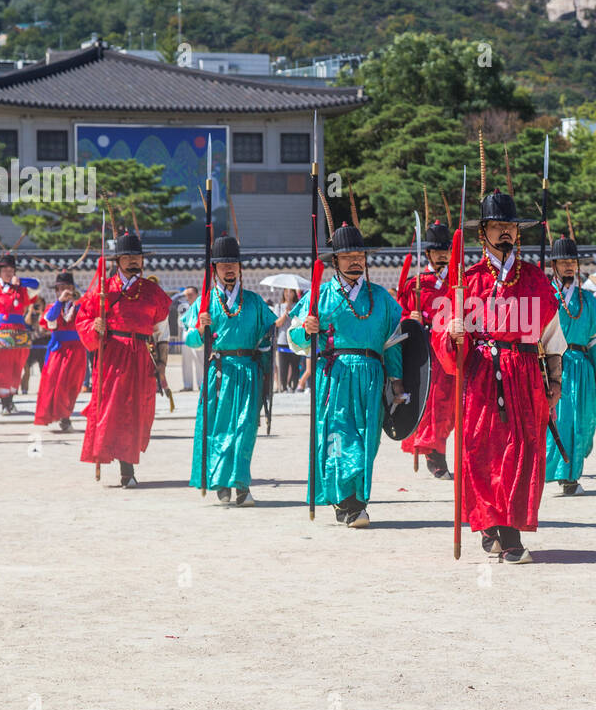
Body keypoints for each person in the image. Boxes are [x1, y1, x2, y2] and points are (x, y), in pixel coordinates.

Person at [432, 189, 563, 564]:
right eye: (497, 226)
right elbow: (444, 341)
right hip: (483, 379)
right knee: (485, 455)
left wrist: (554, 379)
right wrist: (451, 333)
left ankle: (504, 530)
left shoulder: (536, 279)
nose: (505, 232)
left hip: (525, 378)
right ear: (482, 233)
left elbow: (552, 336)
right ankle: (500, 531)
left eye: (510, 226)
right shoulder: (466, 281)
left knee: (524, 455)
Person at [289, 220, 405, 527]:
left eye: (360, 255)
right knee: (339, 438)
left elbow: (393, 343)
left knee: (368, 440)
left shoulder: (381, 297)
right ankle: (349, 503)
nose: (355, 261)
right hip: (336, 376)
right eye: (347, 256)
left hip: (372, 375)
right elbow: (295, 339)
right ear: (335, 261)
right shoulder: (320, 295)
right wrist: (306, 329)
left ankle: (352, 499)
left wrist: (397, 381)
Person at [75, 231, 173, 487]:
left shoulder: (153, 292)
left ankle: (127, 462)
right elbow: (82, 320)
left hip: (142, 356)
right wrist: (94, 326)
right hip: (112, 357)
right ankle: (125, 468)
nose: (133, 262)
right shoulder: (103, 291)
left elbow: (162, 331)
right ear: (117, 261)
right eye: (128, 257)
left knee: (138, 411)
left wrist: (161, 364)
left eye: (137, 257)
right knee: (113, 410)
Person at [190, 235, 278, 506]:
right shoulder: (204, 303)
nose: (229, 268)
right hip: (220, 372)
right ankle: (220, 481)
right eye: (223, 264)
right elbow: (191, 341)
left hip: (249, 372)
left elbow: (269, 337)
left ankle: (241, 485)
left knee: (245, 430)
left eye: (234, 264)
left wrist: (265, 369)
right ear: (214, 268)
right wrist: (200, 328)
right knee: (218, 430)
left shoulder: (253, 301)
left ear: (240, 268)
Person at [545, 232, 596, 496]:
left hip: (583, 366)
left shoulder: (588, 300)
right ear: (554, 266)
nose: (569, 265)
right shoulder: (545, 295)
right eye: (563, 262)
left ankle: (572, 471)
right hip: (555, 364)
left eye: (573, 261)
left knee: (586, 419)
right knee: (562, 419)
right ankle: (566, 476)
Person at [397, 218, 456, 479]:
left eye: (447, 250)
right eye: (437, 250)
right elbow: (401, 319)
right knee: (433, 404)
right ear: (429, 254)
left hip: (453, 352)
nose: (443, 254)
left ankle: (438, 451)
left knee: (452, 407)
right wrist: (413, 320)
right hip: (427, 353)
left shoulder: (460, 281)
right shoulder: (416, 284)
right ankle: (435, 455)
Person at [0, 253, 40, 415]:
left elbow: (37, 285)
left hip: (18, 333)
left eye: (11, 270)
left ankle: (9, 400)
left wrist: (21, 281)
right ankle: (6, 403)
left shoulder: (22, 290)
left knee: (16, 367)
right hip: (1, 333)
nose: (8, 272)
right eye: (4, 270)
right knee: (1, 367)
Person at [34, 272, 86, 432]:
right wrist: (59, 301)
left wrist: (77, 301)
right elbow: (50, 321)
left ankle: (66, 415)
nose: (63, 290)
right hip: (59, 349)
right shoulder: (52, 307)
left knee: (72, 385)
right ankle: (62, 416)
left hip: (77, 350)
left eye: (66, 287)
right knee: (56, 384)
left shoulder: (79, 306)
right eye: (60, 288)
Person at [178, 286, 202, 391]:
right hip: (185, 332)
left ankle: (201, 384)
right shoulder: (183, 306)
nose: (188, 297)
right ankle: (187, 385)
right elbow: (180, 321)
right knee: (186, 360)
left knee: (199, 359)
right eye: (187, 295)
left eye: (191, 295)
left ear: (197, 294)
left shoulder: (202, 305)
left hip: (197, 333)